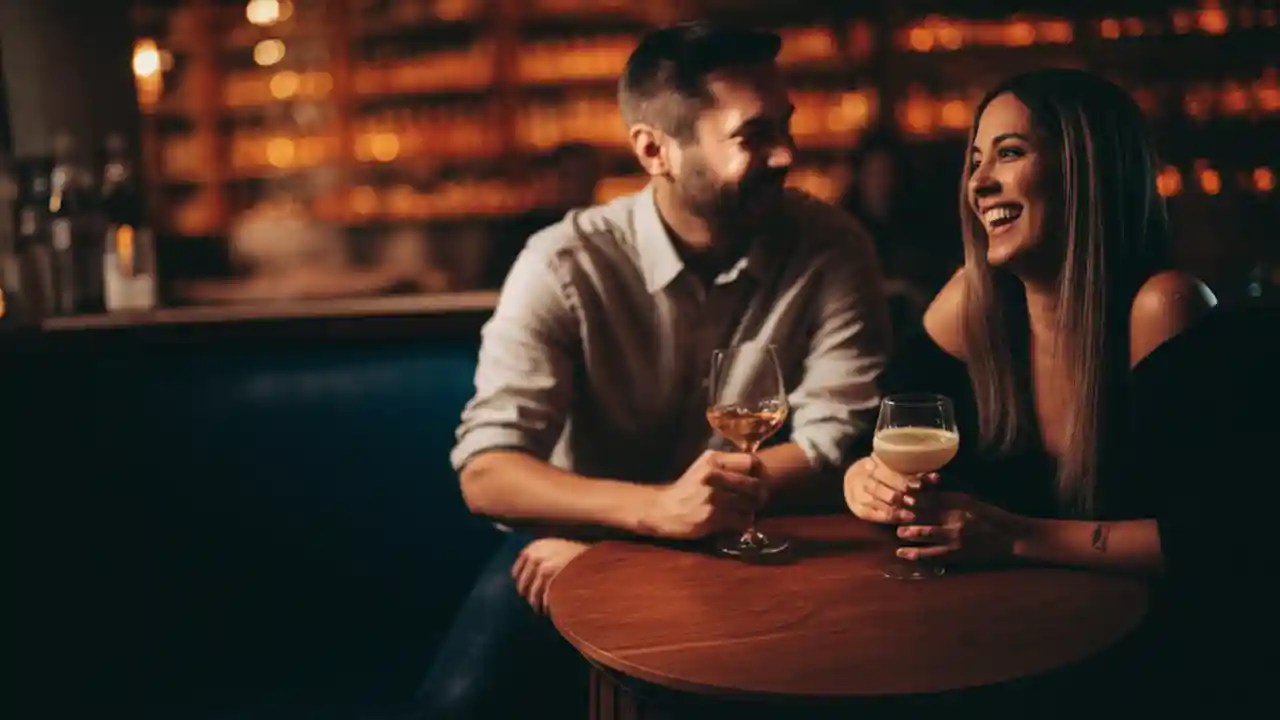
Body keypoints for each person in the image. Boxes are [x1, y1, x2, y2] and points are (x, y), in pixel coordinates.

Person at [414, 22, 891, 719]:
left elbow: (829, 443)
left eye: (784, 126)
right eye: (754, 135)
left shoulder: (833, 247)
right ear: (653, 150)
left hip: (761, 539)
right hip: (585, 538)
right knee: (455, 707)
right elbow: (487, 474)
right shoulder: (562, 264)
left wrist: (674, 529)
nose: (788, 153)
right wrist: (652, 517)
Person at [841, 68, 1272, 709]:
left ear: (1086, 171)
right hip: (1014, 648)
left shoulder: (1162, 308)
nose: (980, 183)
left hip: (1155, 665)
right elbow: (866, 442)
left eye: (1010, 153)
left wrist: (1016, 536)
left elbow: (1222, 536)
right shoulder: (973, 306)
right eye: (975, 161)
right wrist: (864, 480)